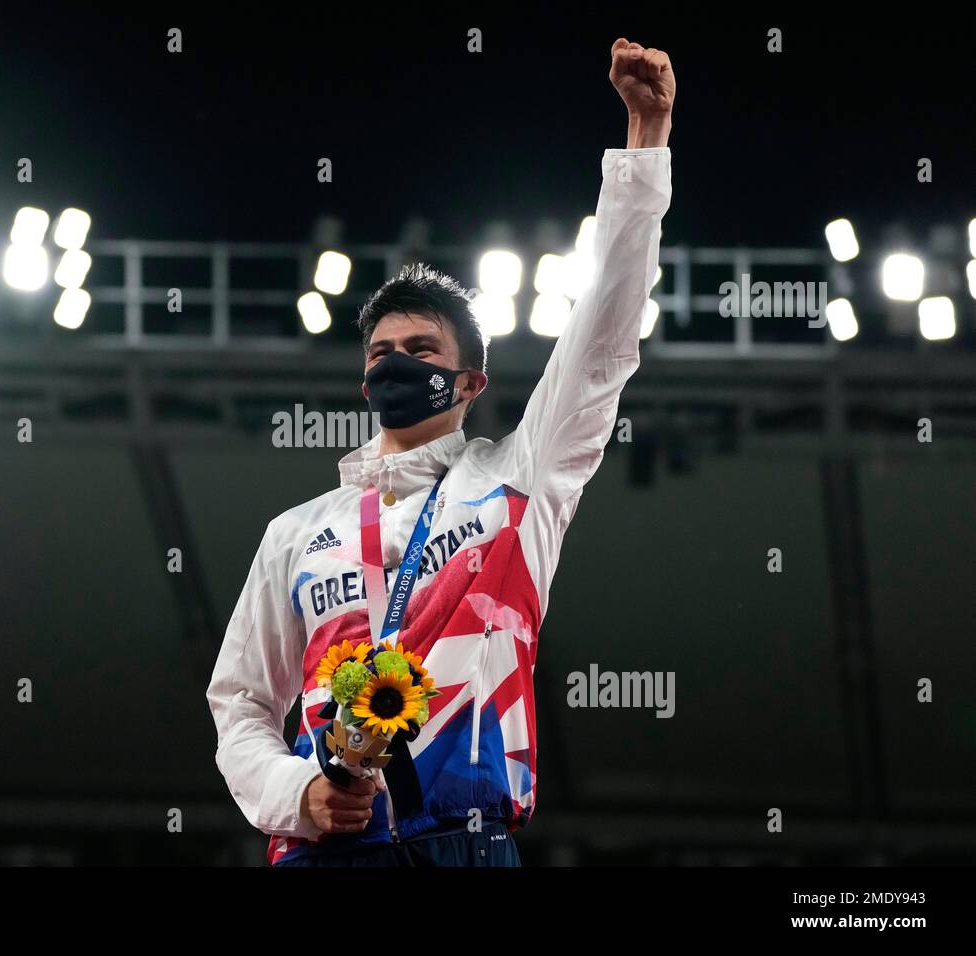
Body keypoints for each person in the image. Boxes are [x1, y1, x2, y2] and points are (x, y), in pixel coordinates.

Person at [207, 37, 675, 866]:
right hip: (319, 849)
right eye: (380, 353)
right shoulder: (295, 535)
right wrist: (298, 795)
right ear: (362, 382)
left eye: (421, 350)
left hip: (463, 844)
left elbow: (604, 333)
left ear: (469, 383)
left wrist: (643, 148)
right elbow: (241, 701)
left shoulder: (520, 478)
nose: (395, 363)